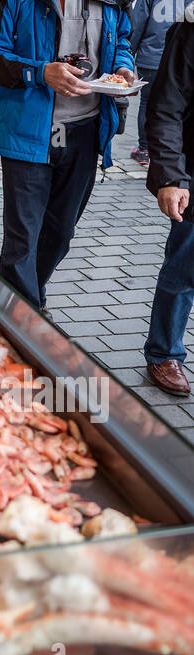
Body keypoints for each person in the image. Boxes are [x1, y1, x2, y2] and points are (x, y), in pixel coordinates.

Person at [0, 0, 134, 314]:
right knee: (23, 237)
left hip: (84, 131)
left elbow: (121, 44)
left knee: (60, 233)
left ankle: (27, 302)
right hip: (29, 130)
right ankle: (23, 322)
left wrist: (123, 68)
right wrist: (38, 72)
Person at [142, 21, 194, 394]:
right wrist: (171, 177)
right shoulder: (190, 31)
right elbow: (166, 107)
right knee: (184, 267)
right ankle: (164, 353)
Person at [127, 0, 194, 164]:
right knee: (182, 107)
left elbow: (137, 25)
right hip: (185, 63)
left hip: (151, 58)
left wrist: (128, 56)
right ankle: (176, 152)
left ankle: (145, 149)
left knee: (148, 104)